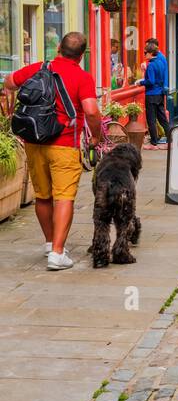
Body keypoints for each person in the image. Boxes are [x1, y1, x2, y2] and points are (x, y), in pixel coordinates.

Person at [4, 31, 104, 271]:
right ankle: (58, 254)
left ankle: (50, 243)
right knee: (64, 197)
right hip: (64, 143)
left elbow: (9, 83)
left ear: (59, 48)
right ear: (81, 56)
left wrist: (11, 108)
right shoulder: (82, 77)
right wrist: (96, 138)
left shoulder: (39, 68)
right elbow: (91, 111)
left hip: (34, 141)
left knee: (43, 195)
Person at [138, 38, 170, 150]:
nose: (144, 55)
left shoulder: (151, 65)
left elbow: (150, 81)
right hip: (160, 94)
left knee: (151, 119)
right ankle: (170, 140)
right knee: (162, 119)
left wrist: (140, 82)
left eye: (145, 53)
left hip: (151, 95)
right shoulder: (161, 62)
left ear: (151, 53)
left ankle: (154, 143)